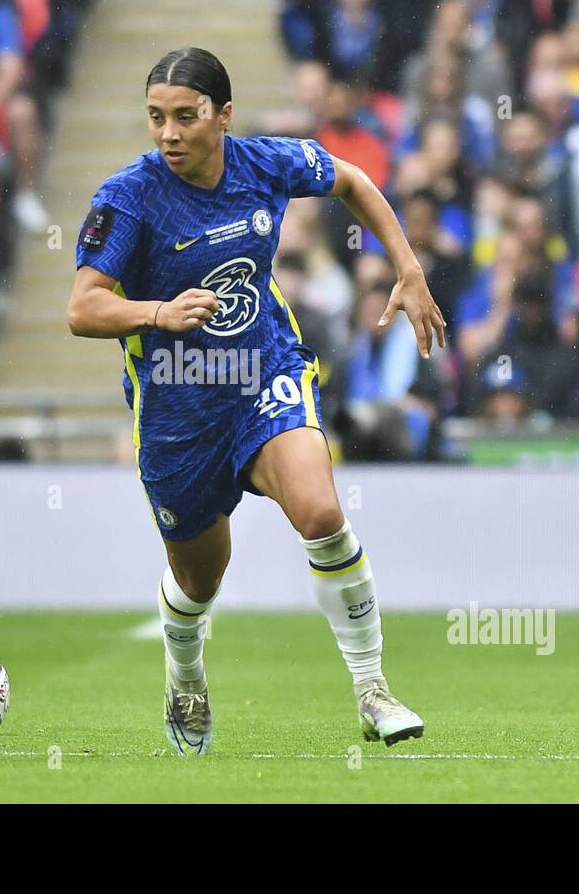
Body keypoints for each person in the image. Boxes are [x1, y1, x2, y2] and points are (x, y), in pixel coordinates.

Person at [66, 48, 447, 755]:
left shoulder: (264, 163)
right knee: (199, 579)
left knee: (322, 513)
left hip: (263, 374)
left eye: (185, 116)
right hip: (177, 408)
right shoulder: (128, 197)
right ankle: (186, 670)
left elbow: (354, 180)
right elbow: (82, 308)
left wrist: (409, 268)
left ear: (223, 115)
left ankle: (373, 689)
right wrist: (157, 313)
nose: (169, 133)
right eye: (157, 118)